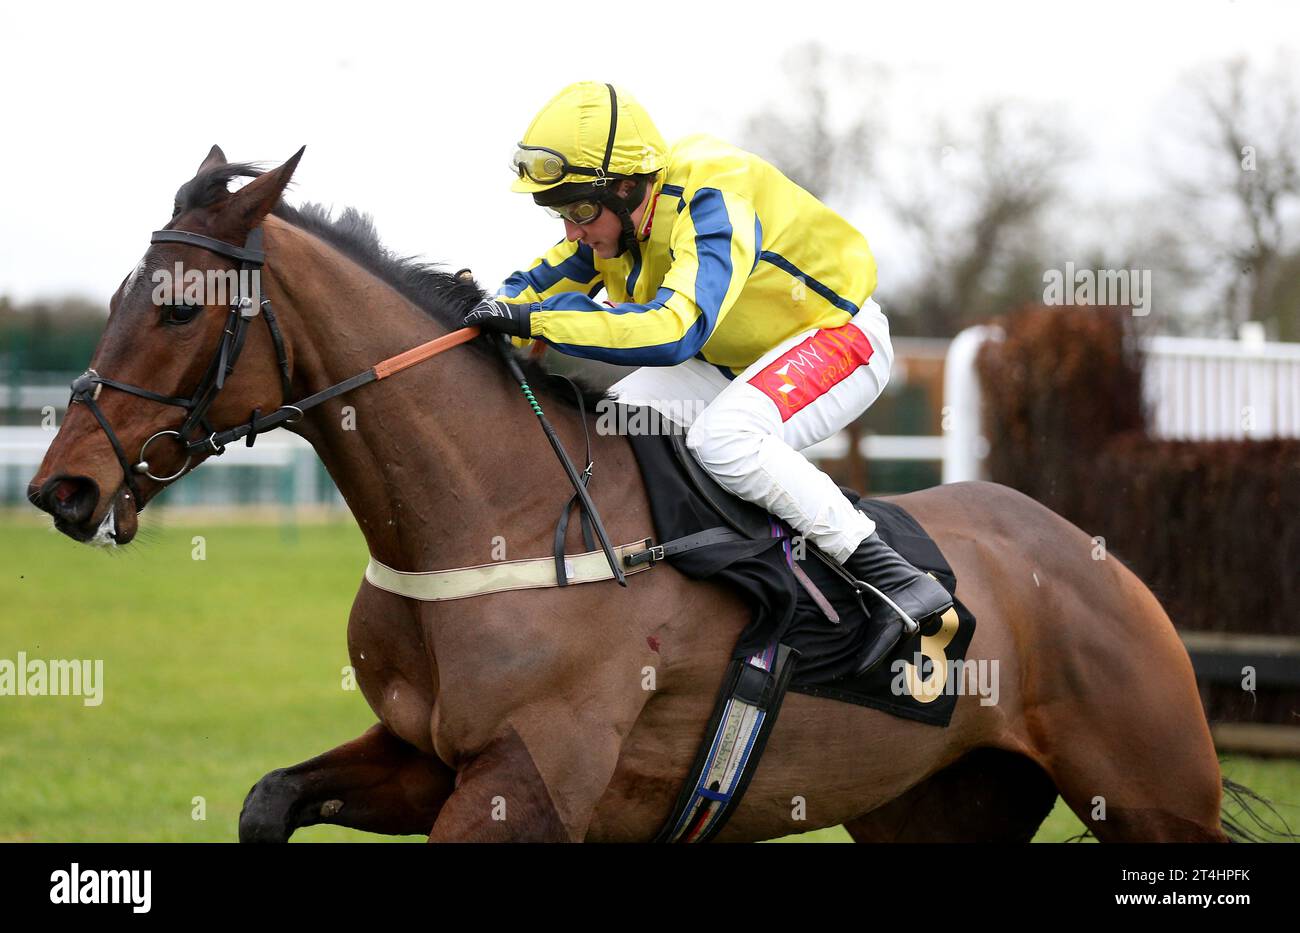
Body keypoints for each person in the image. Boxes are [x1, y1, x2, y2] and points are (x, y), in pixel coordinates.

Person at [464, 81, 951, 674]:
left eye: (581, 211)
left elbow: (674, 332)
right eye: (560, 213)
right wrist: (478, 310)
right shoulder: (612, 222)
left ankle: (894, 581)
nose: (572, 231)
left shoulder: (712, 191)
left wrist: (533, 319)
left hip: (838, 337)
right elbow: (533, 288)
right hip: (726, 366)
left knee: (726, 439)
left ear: (625, 186)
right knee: (615, 431)